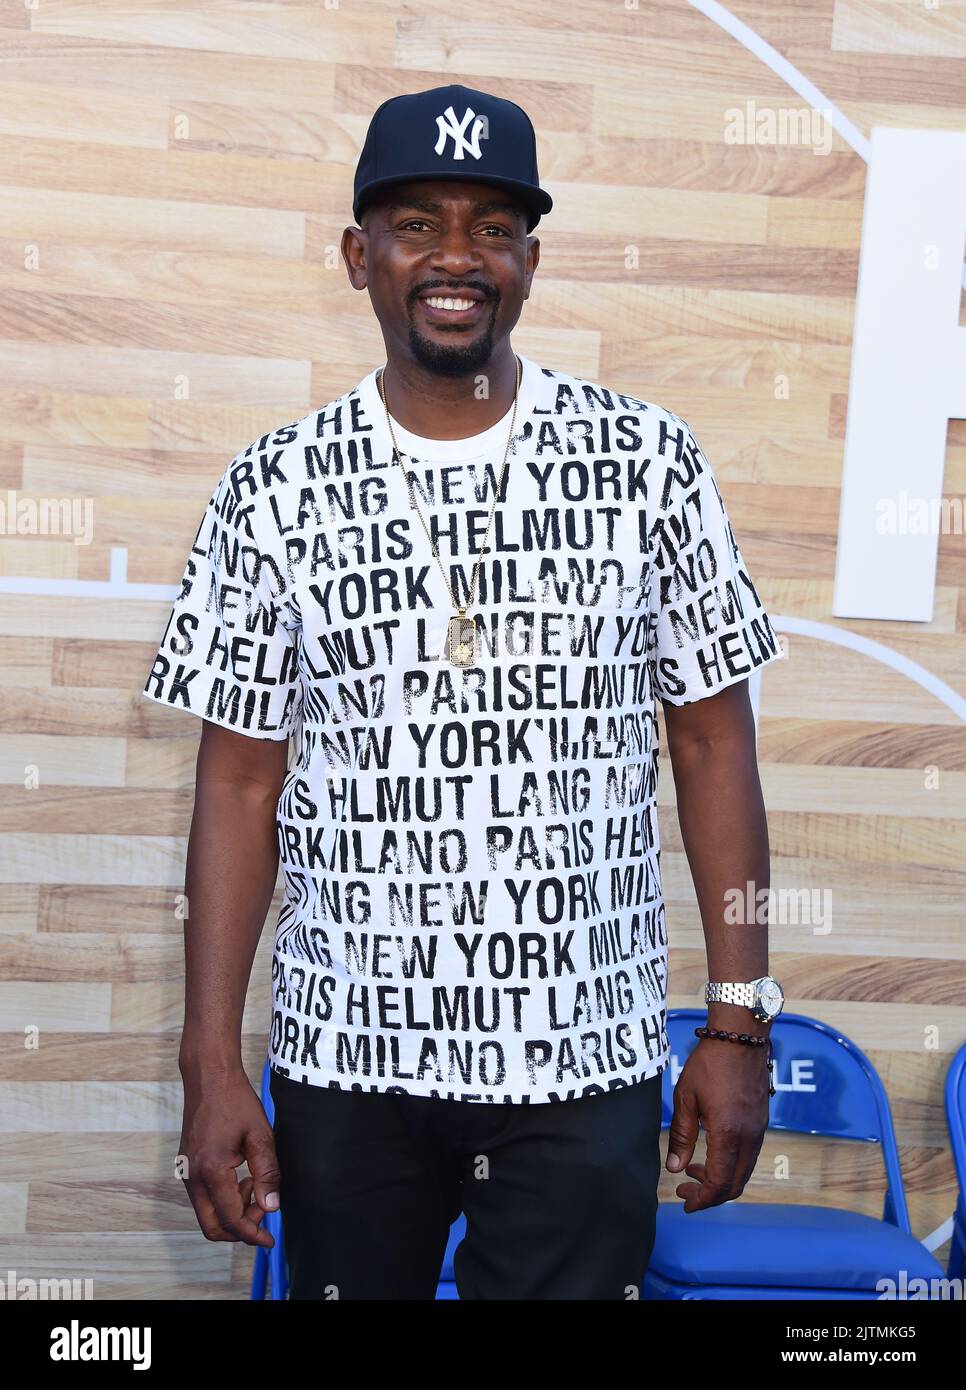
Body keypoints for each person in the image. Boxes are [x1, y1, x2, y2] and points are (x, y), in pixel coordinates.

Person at [142, 83, 787, 1301]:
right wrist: (210, 1061)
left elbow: (715, 747)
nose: (455, 257)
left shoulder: (646, 462)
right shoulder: (275, 486)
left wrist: (739, 1019)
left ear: (531, 262)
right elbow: (238, 782)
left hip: (582, 1055)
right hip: (350, 1058)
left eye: (493, 227)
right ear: (359, 257)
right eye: (416, 225)